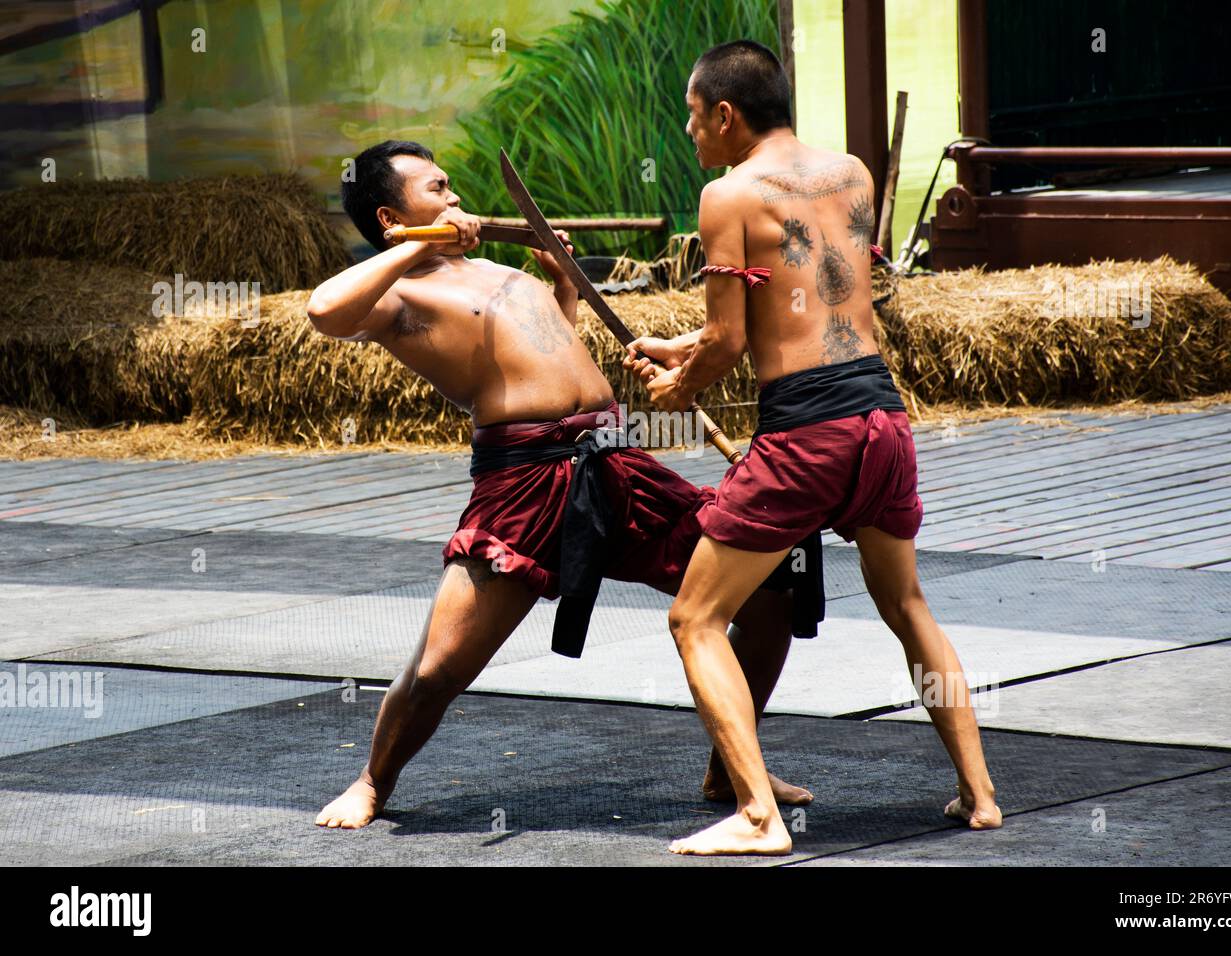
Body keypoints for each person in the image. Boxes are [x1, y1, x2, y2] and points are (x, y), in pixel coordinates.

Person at [308, 140, 809, 829]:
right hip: (524, 483)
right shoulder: (399, 294)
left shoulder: (490, 268)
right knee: (437, 669)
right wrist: (407, 248)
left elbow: (550, 355)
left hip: (615, 465)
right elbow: (322, 310)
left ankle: (732, 770)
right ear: (392, 217)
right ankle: (372, 782)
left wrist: (564, 289)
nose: (455, 198)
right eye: (438, 190)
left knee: (772, 587)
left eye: (452, 187)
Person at [625, 41, 1002, 856]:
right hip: (881, 422)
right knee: (908, 606)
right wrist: (675, 344)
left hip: (805, 435)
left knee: (694, 619)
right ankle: (980, 793)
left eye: (693, 118)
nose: (691, 135)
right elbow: (813, 300)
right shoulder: (853, 174)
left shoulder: (726, 195)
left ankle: (758, 816)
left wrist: (680, 386)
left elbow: (730, 341)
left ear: (725, 116)